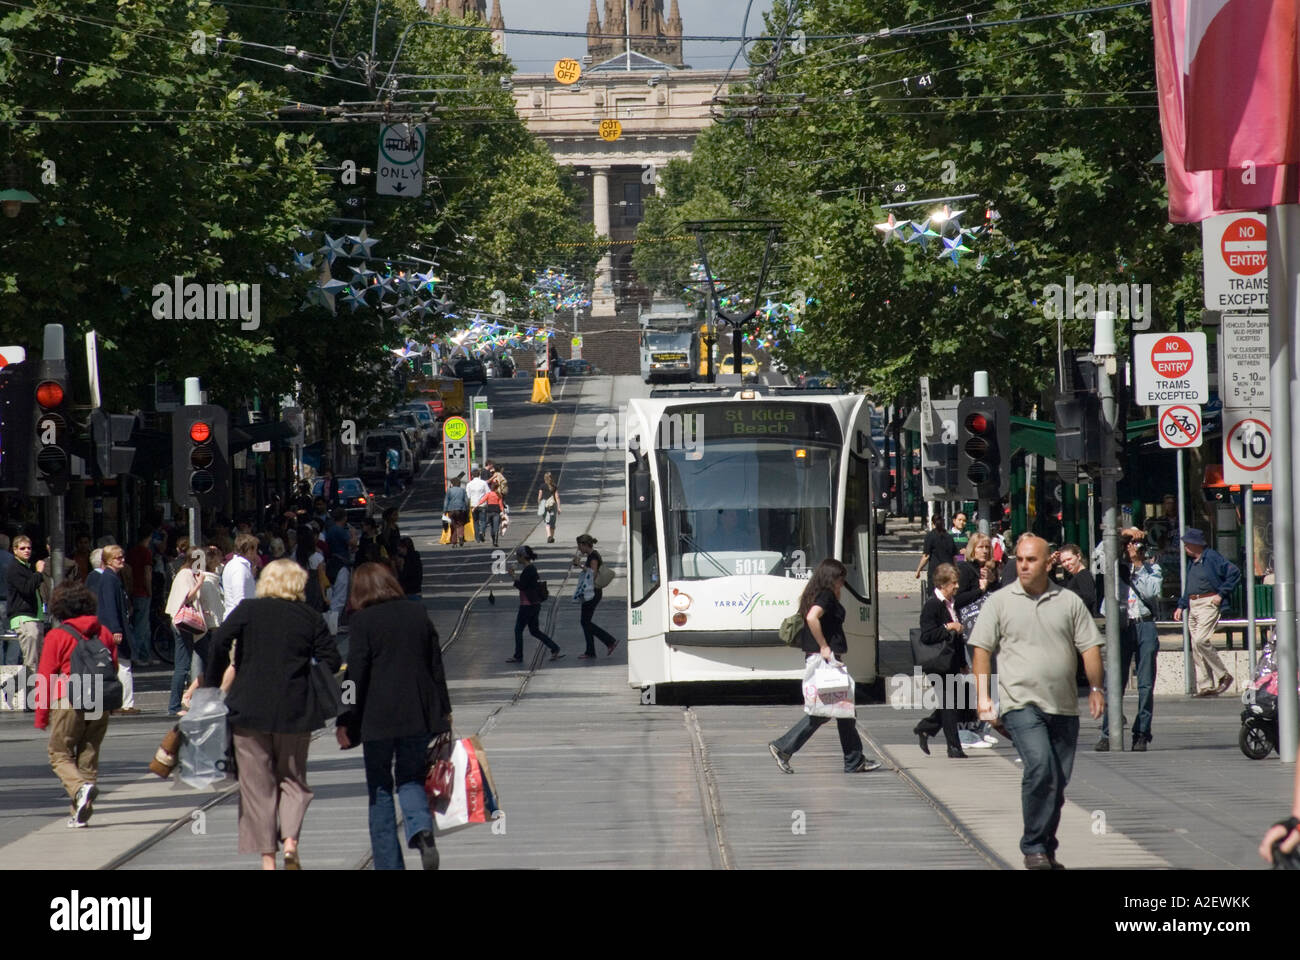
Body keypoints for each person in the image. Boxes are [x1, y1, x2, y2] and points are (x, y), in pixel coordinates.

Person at [969, 535, 1104, 870]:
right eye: (1019, 559)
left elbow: (1089, 646)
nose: (1024, 565)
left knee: (1057, 781)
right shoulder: (1000, 602)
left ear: (1048, 563)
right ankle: (1032, 847)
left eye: (1031, 560)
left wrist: (1098, 688)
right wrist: (984, 697)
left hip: (1063, 706)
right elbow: (982, 650)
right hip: (1020, 704)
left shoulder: (1069, 602)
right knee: (1040, 767)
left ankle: (1046, 846)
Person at [203, 558, 341, 870]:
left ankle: (268, 861)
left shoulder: (248, 611)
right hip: (295, 710)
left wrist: (212, 682)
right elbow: (332, 660)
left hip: (248, 710)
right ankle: (290, 843)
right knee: (293, 780)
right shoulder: (309, 616)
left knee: (257, 787)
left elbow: (220, 641)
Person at [335, 563, 450, 870]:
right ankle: (422, 830)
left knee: (381, 788)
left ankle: (389, 864)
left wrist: (345, 716)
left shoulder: (363, 621)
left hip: (377, 720)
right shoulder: (417, 613)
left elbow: (354, 673)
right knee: (411, 778)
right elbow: (435, 666)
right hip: (416, 716)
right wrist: (444, 712)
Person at [768, 559, 880, 774]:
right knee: (832, 711)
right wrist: (825, 647)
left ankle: (853, 759)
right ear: (832, 579)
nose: (842, 584)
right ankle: (783, 747)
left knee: (842, 711)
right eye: (841, 580)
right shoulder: (826, 596)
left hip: (821, 659)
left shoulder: (815, 594)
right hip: (824, 659)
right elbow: (812, 618)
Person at [34, 581, 117, 828]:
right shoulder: (104, 632)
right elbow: (112, 667)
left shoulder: (57, 635)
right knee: (88, 754)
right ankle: (80, 812)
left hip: (69, 697)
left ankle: (80, 789)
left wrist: (41, 715)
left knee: (59, 753)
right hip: (100, 698)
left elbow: (45, 676)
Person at [1098, 535, 1163, 752]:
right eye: (1130, 547)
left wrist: (1138, 565)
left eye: (1139, 548)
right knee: (1114, 682)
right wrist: (1120, 536)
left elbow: (1151, 591)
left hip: (1145, 625)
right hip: (1122, 626)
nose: (1135, 550)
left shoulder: (1152, 569)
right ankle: (1108, 731)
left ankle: (1142, 732)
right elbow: (1097, 558)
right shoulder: (1114, 567)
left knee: (1145, 684)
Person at [1174, 527, 1241, 697]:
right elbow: (1189, 586)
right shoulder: (1192, 563)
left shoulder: (1211, 557)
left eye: (1187, 544)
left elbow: (1234, 573)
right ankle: (1206, 685)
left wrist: (1221, 594)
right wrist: (1182, 605)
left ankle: (1223, 675)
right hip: (1193, 603)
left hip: (1208, 602)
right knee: (1195, 646)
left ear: (1195, 544)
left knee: (1201, 640)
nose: (1185, 547)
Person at [913, 563, 969, 758]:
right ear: (942, 584)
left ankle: (926, 727)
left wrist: (963, 663)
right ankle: (954, 747)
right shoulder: (932, 605)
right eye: (953, 583)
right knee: (949, 703)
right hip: (938, 663)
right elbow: (927, 635)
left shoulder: (951, 603)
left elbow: (958, 639)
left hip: (951, 661)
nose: (956, 587)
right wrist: (948, 627)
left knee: (958, 702)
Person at [95, 546, 139, 716]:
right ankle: (126, 703)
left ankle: (117, 702)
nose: (122, 560)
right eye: (117, 558)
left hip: (112, 627)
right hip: (112, 628)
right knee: (123, 664)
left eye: (122, 556)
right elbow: (110, 606)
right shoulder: (109, 579)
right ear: (107, 560)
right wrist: (116, 628)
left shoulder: (112, 577)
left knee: (116, 664)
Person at [163, 548, 208, 717]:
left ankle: (202, 697)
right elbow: (187, 597)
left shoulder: (187, 573)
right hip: (184, 626)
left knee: (208, 657)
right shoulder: (185, 574)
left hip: (188, 625)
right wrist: (199, 583)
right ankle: (174, 706)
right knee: (182, 665)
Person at [507, 545, 562, 663]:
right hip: (534, 604)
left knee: (518, 630)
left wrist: (512, 576)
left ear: (523, 557)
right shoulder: (531, 569)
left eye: (518, 556)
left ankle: (518, 655)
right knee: (534, 631)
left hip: (527, 605)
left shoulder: (528, 570)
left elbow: (522, 586)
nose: (516, 558)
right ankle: (554, 648)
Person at [572, 535, 618, 659]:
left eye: (579, 546)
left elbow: (593, 573)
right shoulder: (592, 555)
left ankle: (609, 641)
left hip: (593, 592)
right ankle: (590, 651)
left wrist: (580, 565)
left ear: (584, 545)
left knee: (585, 622)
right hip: (592, 592)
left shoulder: (593, 556)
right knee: (585, 622)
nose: (578, 548)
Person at [7, 535, 47, 674]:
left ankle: (12, 688)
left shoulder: (26, 567)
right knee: (31, 662)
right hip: (24, 618)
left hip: (35, 616)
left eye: (29, 548)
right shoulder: (14, 568)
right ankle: (27, 693)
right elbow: (26, 588)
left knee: (39, 661)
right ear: (15, 550)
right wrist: (38, 573)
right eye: (22, 548)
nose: (26, 551)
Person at [125, 528, 155, 665]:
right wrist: (149, 591)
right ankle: (135, 655)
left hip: (133, 591)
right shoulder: (146, 552)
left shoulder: (131, 552)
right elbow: (147, 573)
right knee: (141, 626)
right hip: (142, 592)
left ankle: (145, 655)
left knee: (144, 625)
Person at [954, 532, 1000, 613]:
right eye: (980, 547)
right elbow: (957, 599)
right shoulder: (965, 569)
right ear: (972, 550)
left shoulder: (991, 569)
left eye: (987, 547)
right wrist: (980, 590)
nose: (985, 551)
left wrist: (993, 581)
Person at [914, 514, 956, 599]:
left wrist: (918, 570)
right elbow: (954, 556)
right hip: (948, 569)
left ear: (932, 523)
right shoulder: (949, 537)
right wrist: (956, 569)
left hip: (935, 569)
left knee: (934, 595)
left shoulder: (930, 536)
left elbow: (926, 556)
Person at [221, 533, 259, 620]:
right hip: (239, 619)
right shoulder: (239, 568)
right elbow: (239, 598)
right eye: (255, 550)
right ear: (249, 550)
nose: (256, 554)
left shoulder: (238, 566)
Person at [1050, 543, 1096, 613]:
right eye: (1063, 561)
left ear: (1078, 556)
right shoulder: (1072, 578)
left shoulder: (1083, 575)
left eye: (1069, 559)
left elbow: (1089, 599)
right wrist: (1053, 565)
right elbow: (1054, 587)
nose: (1066, 564)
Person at [443, 475, 470, 547]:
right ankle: (461, 536)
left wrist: (444, 511)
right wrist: (467, 509)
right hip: (461, 509)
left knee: (453, 525)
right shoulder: (463, 490)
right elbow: (467, 501)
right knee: (461, 524)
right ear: (459, 483)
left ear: (452, 483)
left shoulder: (449, 491)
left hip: (451, 509)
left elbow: (446, 501)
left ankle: (454, 542)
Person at [480, 475, 505, 548]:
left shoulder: (489, 494)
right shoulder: (499, 495)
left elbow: (483, 500)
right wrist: (503, 512)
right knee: (496, 527)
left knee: (489, 525)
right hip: (496, 512)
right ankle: (495, 541)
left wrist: (476, 506)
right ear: (497, 488)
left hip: (489, 511)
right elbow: (501, 505)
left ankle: (482, 532)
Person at [466, 467, 489, 543]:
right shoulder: (483, 483)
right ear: (479, 475)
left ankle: (477, 538)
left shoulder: (469, 484)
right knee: (483, 520)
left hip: (473, 505)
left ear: (472, 476)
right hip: (482, 505)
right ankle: (482, 531)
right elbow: (488, 493)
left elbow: (468, 496)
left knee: (475, 521)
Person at [395, 537, 422, 602]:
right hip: (410, 591)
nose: (398, 550)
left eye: (400, 548)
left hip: (411, 592)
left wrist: (401, 567)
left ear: (405, 548)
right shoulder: (402, 558)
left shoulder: (412, 560)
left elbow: (405, 575)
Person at [538, 471, 560, 544]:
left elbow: (539, 497)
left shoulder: (542, 486)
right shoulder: (554, 486)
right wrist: (559, 507)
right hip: (552, 505)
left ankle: (549, 536)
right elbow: (557, 497)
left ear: (545, 478)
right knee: (552, 522)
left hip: (543, 505)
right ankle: (552, 537)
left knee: (547, 522)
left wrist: (539, 505)